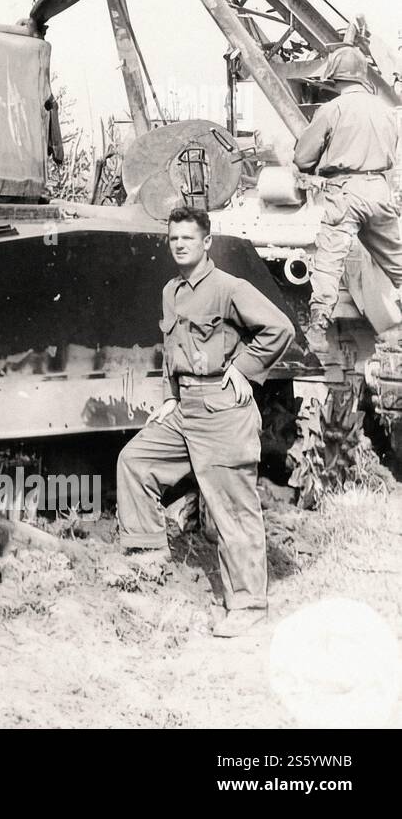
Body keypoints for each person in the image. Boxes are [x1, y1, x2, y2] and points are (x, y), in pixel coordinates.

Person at [117, 206, 293, 638]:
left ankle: (248, 603)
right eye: (173, 238)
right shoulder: (170, 291)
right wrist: (170, 399)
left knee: (232, 507)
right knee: (135, 460)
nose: (179, 244)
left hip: (222, 408)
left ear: (206, 242)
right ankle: (148, 560)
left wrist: (245, 368)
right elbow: (171, 347)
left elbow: (280, 328)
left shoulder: (228, 287)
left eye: (188, 238)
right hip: (186, 408)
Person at [293, 46, 402, 355]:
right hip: (379, 190)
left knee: (328, 262)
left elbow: (303, 157)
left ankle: (317, 330)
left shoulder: (332, 110)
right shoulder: (384, 109)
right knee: (397, 260)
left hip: (346, 191)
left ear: (334, 76)